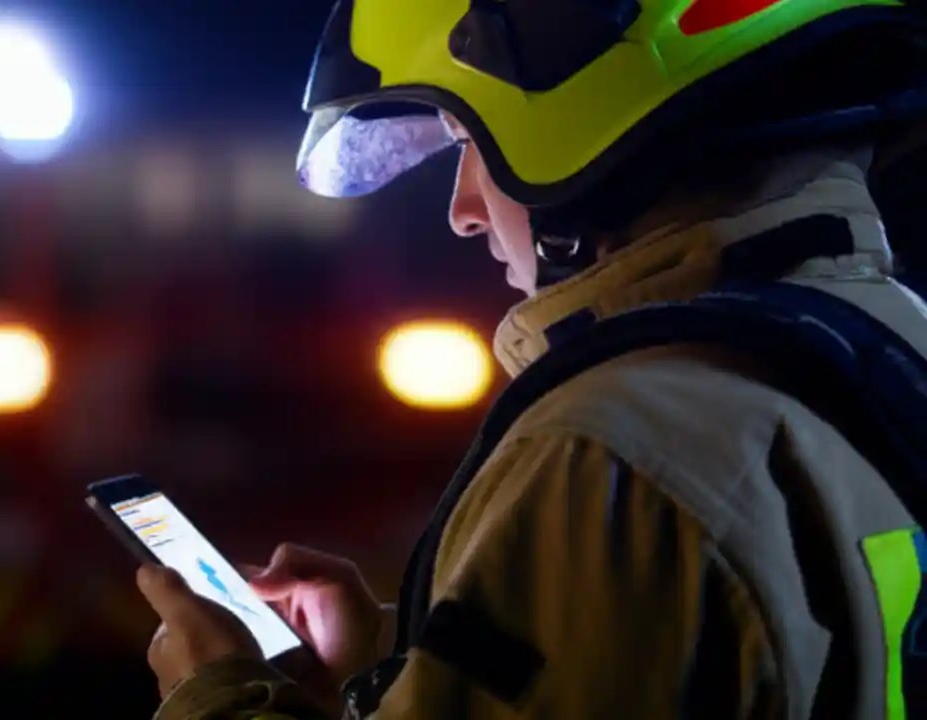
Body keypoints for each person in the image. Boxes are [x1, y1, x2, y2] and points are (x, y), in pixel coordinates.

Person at [134, 0, 927, 717]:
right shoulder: (884, 341)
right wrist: (401, 664)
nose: (464, 214)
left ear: (584, 116)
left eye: (465, 143)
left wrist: (220, 695)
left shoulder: (613, 452)